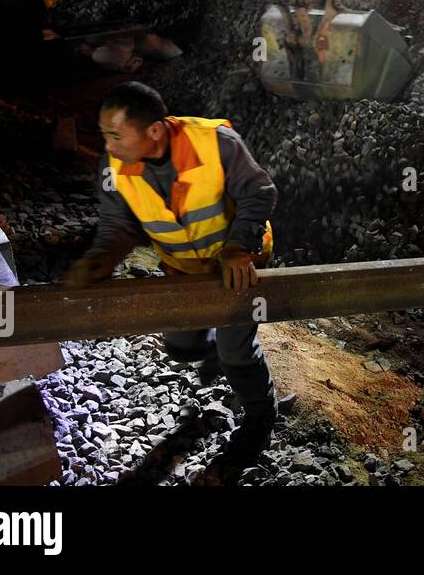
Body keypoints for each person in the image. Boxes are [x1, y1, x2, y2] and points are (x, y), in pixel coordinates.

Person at [65, 82, 281, 470]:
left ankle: (261, 417)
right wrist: (99, 260)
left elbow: (259, 191)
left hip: (237, 264)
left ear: (154, 130)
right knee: (181, 346)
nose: (108, 144)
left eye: (115, 134)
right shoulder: (113, 167)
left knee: (236, 351)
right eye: (104, 134)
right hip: (184, 268)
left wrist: (237, 249)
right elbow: (119, 227)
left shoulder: (216, 143)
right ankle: (211, 343)